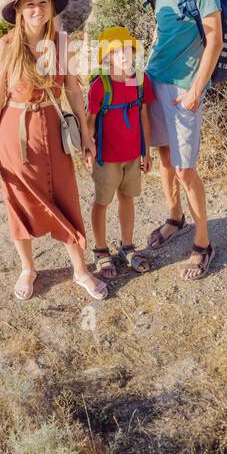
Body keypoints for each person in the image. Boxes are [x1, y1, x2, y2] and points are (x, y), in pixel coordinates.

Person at [0, 0, 107, 301]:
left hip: (53, 128)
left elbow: (72, 90)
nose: (37, 9)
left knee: (66, 194)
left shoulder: (60, 42)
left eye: (42, 3)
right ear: (20, 11)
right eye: (29, 4)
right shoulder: (7, 46)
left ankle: (81, 271)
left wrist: (86, 132)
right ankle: (28, 267)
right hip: (15, 132)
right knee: (19, 201)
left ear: (50, 7)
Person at [143, 0, 221, 279]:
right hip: (155, 80)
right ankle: (175, 216)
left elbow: (214, 40)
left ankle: (203, 243)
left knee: (185, 168)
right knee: (163, 155)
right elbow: (161, 30)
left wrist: (195, 90)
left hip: (183, 89)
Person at [86, 26, 155, 280]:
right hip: (106, 157)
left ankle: (127, 247)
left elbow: (145, 116)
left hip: (131, 155)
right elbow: (90, 119)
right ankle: (101, 250)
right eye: (117, 52)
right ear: (106, 58)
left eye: (128, 49)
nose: (125, 55)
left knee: (128, 198)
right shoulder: (99, 86)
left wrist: (146, 152)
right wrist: (88, 145)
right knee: (102, 202)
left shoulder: (139, 80)